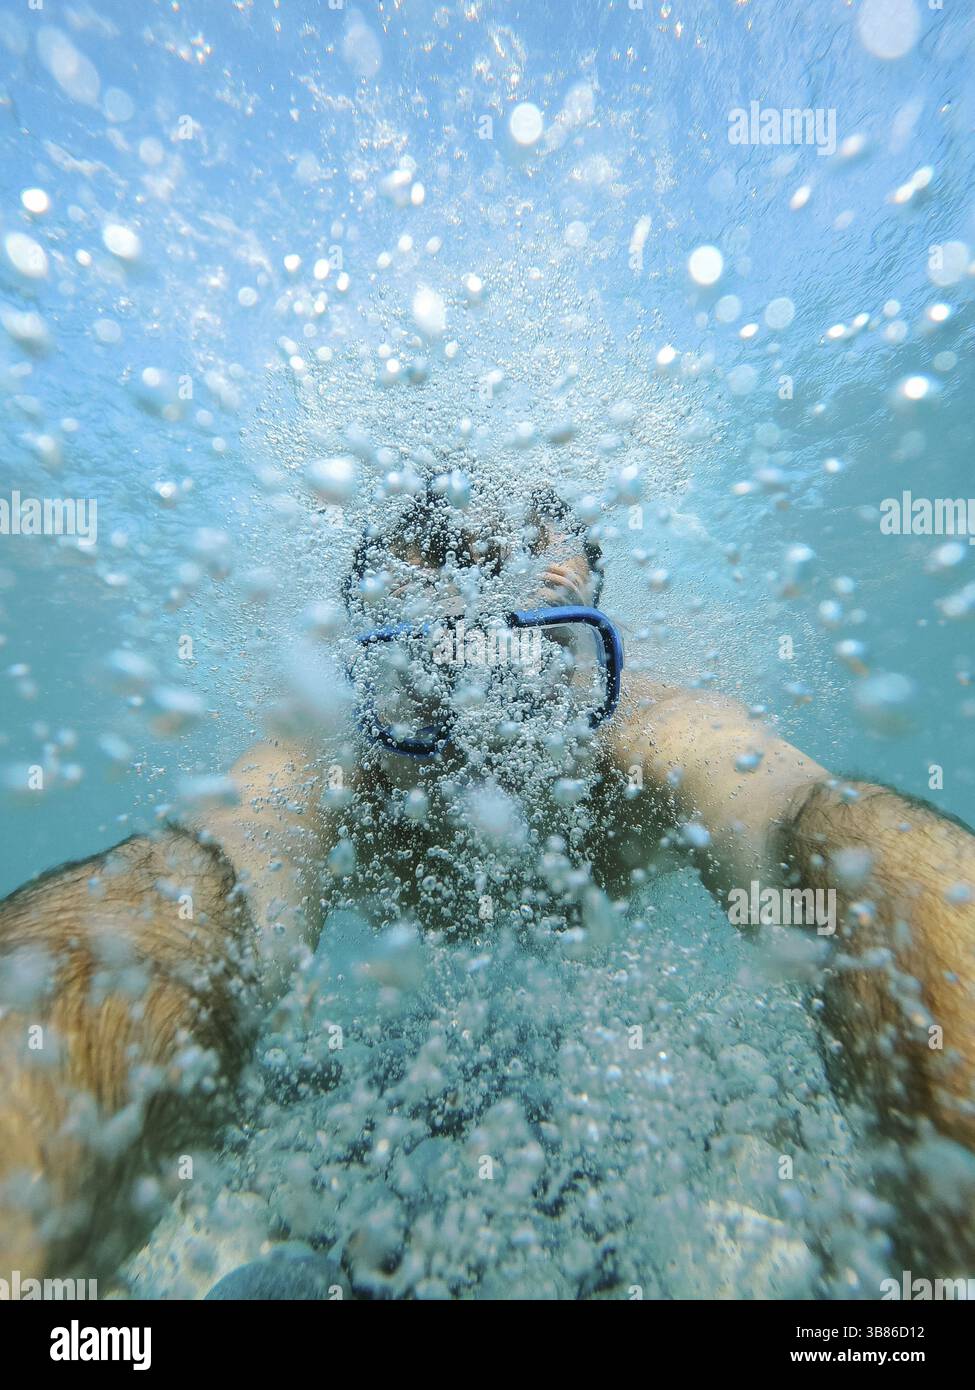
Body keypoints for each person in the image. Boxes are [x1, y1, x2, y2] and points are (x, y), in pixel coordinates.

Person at [1, 481, 973, 1284]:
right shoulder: (325, 758)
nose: (484, 653)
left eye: (531, 593)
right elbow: (193, 901)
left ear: (588, 609)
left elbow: (829, 838)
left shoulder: (659, 730)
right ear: (372, 630)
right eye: (441, 563)